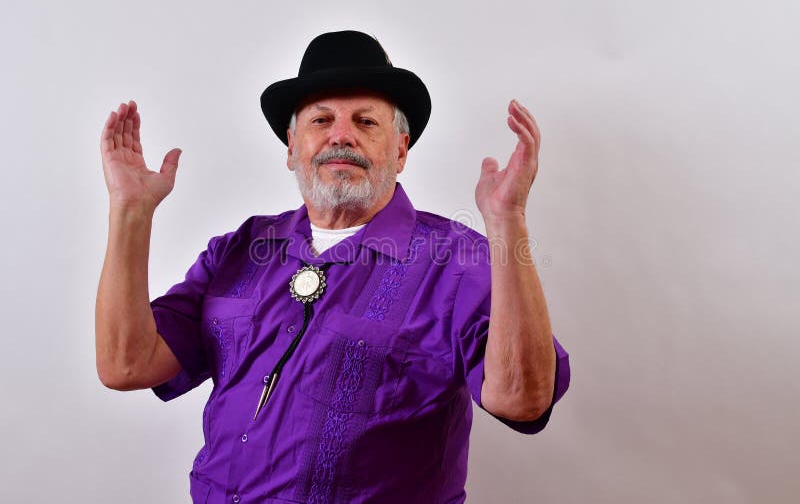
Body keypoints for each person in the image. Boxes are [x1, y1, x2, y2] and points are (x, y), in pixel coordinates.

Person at [96, 30, 570, 504]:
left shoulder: (456, 259)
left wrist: (507, 220)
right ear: (291, 146)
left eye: (365, 122)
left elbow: (522, 399)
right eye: (322, 119)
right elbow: (126, 364)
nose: (341, 135)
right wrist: (130, 211)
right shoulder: (241, 248)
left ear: (400, 150)